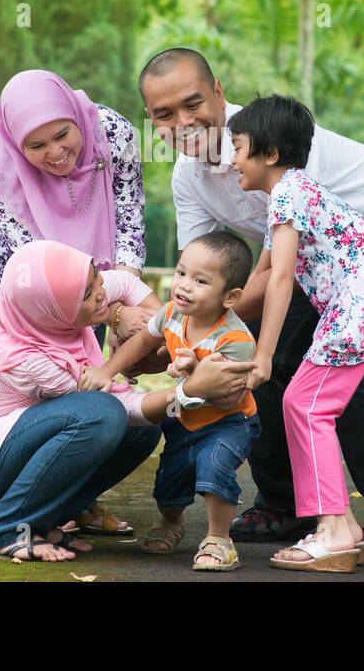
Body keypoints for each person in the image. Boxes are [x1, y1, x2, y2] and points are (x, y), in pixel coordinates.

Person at [138, 47, 364, 556]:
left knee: (346, 372)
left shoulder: (274, 140)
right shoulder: (187, 177)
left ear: (219, 94)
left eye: (193, 103)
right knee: (271, 366)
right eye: (164, 114)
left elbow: (272, 276)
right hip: (320, 260)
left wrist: (213, 333)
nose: (183, 122)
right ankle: (283, 506)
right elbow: (205, 270)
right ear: (151, 119)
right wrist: (170, 330)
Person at [0, 240, 243, 562]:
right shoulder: (30, 360)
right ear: (54, 310)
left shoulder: (65, 303)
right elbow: (124, 409)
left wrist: (167, 332)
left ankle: (44, 522)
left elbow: (128, 284)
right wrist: (191, 391)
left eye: (96, 280)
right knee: (103, 415)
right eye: (87, 295)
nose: (101, 292)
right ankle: (5, 531)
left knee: (142, 432)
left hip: (5, 441)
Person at [0, 69, 154, 530]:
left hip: (77, 271)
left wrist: (124, 307)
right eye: (36, 147)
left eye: (62, 135)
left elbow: (128, 217)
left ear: (77, 118)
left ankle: (68, 501)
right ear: (18, 146)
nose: (55, 153)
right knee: (25, 377)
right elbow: (47, 277)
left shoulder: (113, 133)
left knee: (90, 384)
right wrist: (112, 308)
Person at [227, 96, 364, 572]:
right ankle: (343, 527)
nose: (231, 160)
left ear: (268, 154)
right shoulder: (291, 194)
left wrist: (265, 355)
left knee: (306, 405)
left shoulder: (289, 194)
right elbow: (266, 275)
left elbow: (280, 279)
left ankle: (333, 528)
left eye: (237, 147)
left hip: (363, 300)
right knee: (304, 403)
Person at [79, 230, 261, 571]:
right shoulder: (173, 313)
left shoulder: (236, 340)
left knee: (214, 467)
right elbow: (144, 342)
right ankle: (171, 523)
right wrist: (108, 370)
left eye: (200, 280)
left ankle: (220, 539)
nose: (184, 285)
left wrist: (195, 372)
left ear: (231, 296)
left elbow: (228, 395)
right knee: (169, 481)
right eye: (181, 273)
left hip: (228, 421)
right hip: (184, 418)